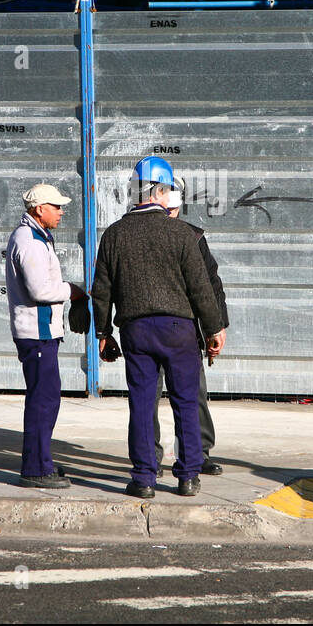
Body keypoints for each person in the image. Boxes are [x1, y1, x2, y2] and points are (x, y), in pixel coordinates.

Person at [90, 157, 226, 499]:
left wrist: (103, 333)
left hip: (136, 331)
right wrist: (214, 329)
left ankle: (144, 478)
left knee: (141, 403)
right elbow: (200, 288)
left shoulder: (114, 235)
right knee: (185, 401)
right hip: (178, 330)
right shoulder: (181, 233)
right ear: (160, 191)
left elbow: (102, 290)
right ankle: (188, 475)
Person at [5, 183, 87, 489]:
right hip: (36, 333)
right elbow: (40, 290)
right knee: (43, 400)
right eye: (57, 207)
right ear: (39, 209)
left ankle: (42, 460)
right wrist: (74, 291)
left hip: (42, 332)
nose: (62, 212)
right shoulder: (29, 241)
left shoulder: (37, 236)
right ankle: (36, 469)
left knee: (47, 398)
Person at [152, 176, 229, 476]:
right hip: (152, 328)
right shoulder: (140, 234)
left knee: (193, 394)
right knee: (149, 396)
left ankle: (198, 452)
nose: (168, 213)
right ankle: (150, 457)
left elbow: (212, 285)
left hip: (185, 332)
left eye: (172, 208)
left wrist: (216, 327)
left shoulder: (194, 237)